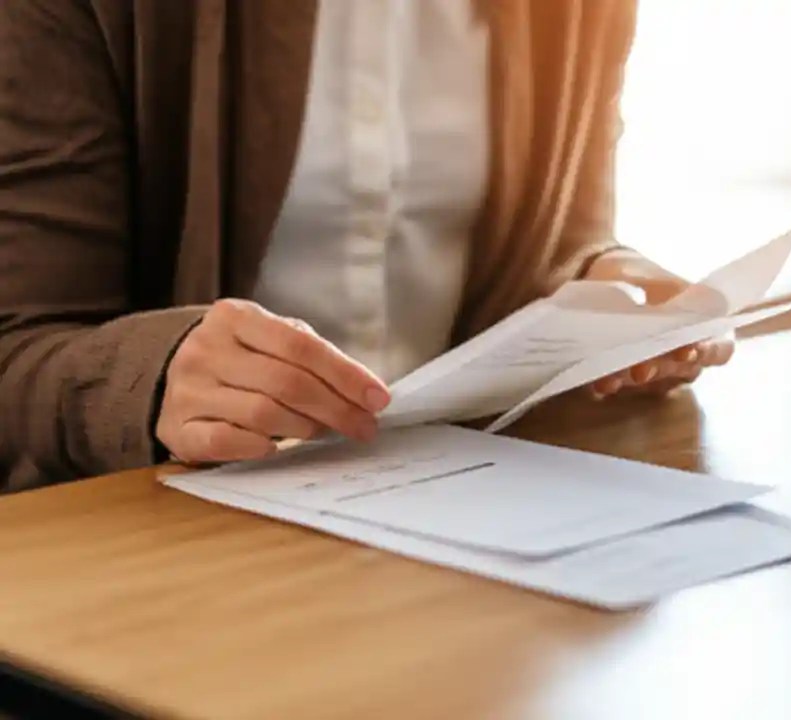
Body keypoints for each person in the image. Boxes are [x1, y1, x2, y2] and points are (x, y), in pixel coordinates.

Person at [0, 0, 734, 491]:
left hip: (457, 509)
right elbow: (17, 349)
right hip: (160, 559)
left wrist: (603, 287)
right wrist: (152, 379)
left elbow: (556, 238)